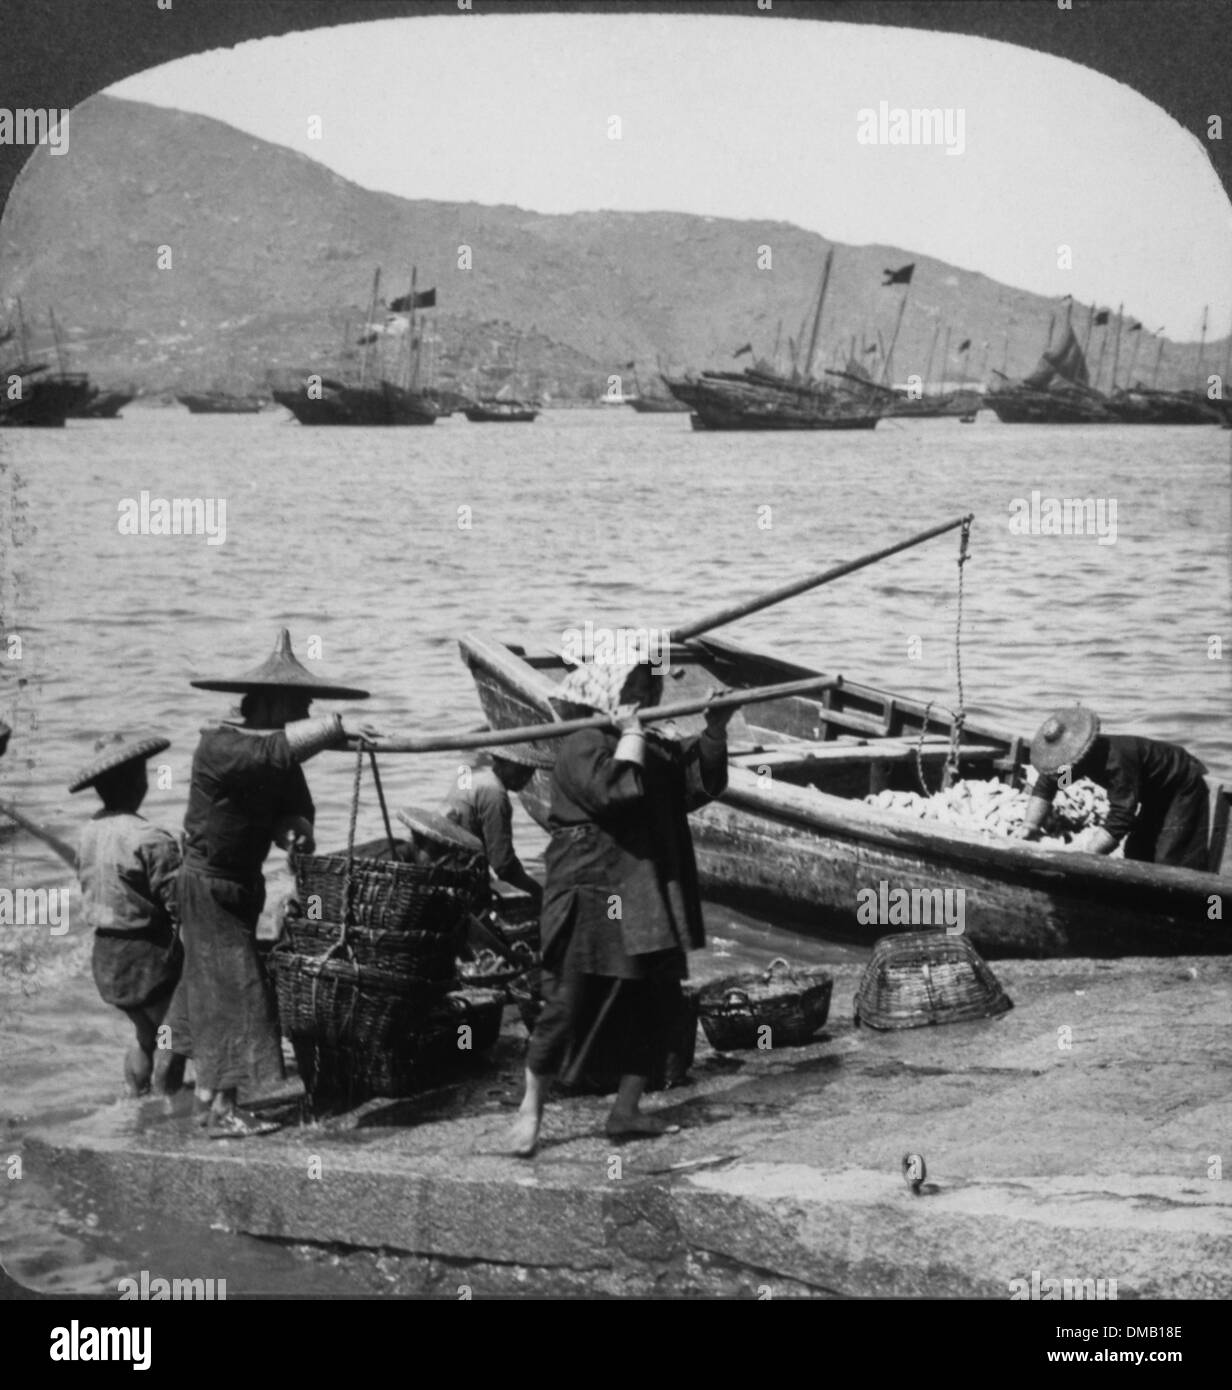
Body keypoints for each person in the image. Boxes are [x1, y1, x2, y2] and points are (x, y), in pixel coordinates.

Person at [508, 658, 731, 1157]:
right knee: (567, 1000)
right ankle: (531, 1109)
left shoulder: (651, 744)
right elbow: (614, 791)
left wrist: (714, 732)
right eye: (632, 688)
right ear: (605, 695)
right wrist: (630, 734)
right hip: (589, 890)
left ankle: (626, 1109)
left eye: (647, 689)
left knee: (655, 1000)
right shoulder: (582, 742)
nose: (643, 698)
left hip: (642, 890)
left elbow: (693, 786)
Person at [166, 629, 371, 1139]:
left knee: (214, 991)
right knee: (237, 994)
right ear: (272, 700)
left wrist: (294, 832)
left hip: (240, 884)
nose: (306, 708)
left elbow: (295, 807)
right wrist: (335, 727)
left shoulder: (275, 756)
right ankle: (222, 1110)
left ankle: (207, 1096)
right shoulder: (220, 745)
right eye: (300, 701)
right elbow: (271, 757)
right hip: (208, 885)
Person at [70, 734, 190, 1097]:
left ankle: (135, 1099)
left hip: (107, 954)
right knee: (172, 1033)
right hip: (147, 955)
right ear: (139, 783)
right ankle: (165, 1103)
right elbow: (178, 903)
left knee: (144, 1033)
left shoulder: (88, 832)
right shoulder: (151, 837)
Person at [1016, 707, 1210, 869]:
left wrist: (1086, 856)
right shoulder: (1077, 761)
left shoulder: (1115, 762)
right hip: (1152, 790)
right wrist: (1029, 828)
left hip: (1182, 786)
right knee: (1136, 852)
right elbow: (1049, 785)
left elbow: (1122, 816)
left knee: (1170, 858)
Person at [441, 743, 546, 910]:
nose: (527, 776)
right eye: (521, 769)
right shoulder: (495, 794)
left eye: (531, 770)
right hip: (462, 878)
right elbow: (503, 865)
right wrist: (537, 890)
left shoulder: (472, 776)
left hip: (445, 868)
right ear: (503, 762)